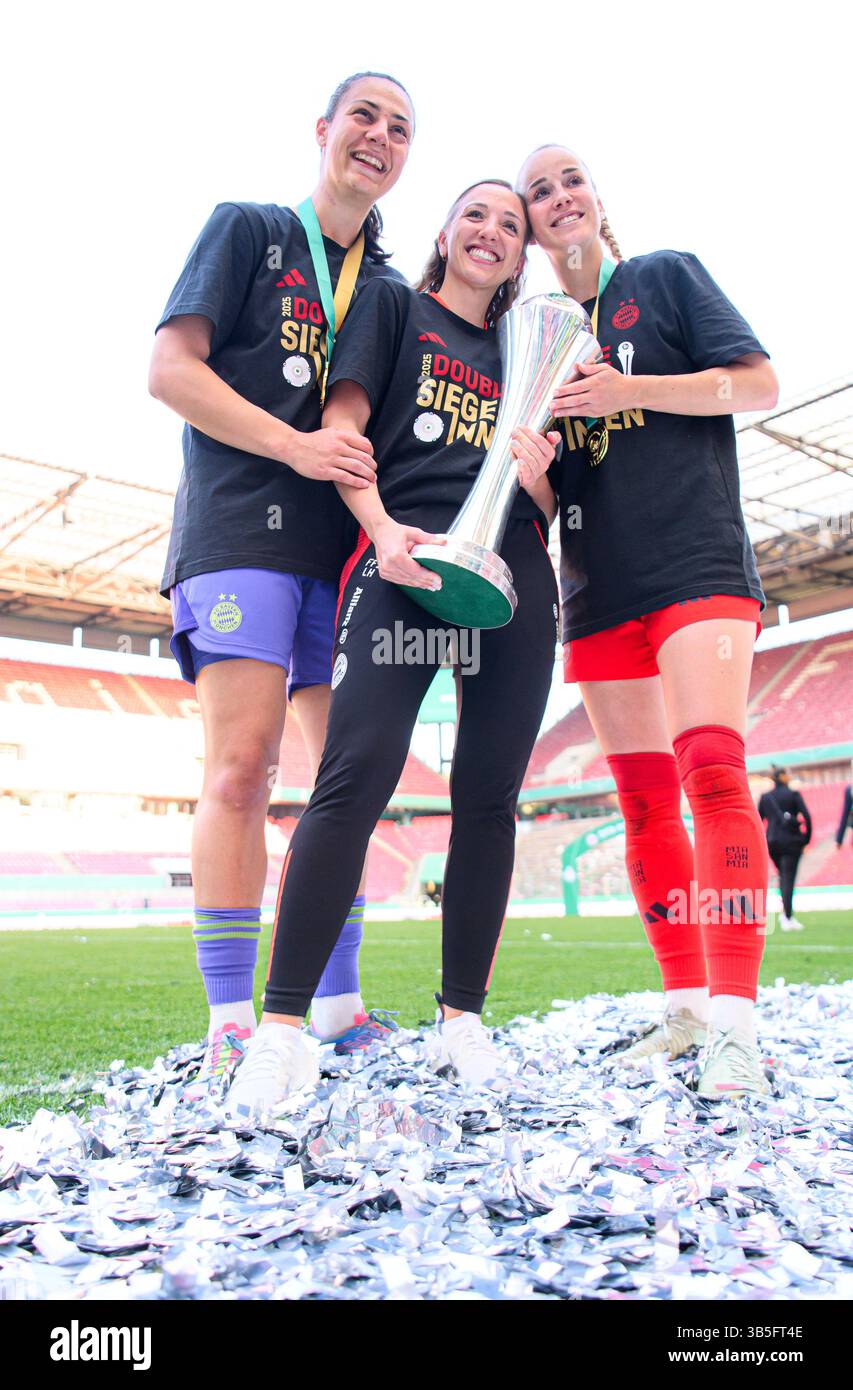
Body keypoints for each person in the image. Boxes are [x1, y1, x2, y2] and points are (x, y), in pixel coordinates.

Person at [226, 180, 561, 1115]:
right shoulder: (390, 304)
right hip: (402, 560)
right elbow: (342, 426)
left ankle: (462, 1022)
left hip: (509, 576)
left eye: (510, 223)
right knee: (354, 776)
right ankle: (282, 1031)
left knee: (489, 797)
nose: (491, 231)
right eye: (476, 214)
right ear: (447, 231)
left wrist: (534, 476)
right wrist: (380, 533)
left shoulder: (530, 352)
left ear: (519, 253)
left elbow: (543, 502)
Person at [148, 72, 416, 1096]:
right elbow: (171, 369)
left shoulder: (389, 289)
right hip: (238, 536)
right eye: (365, 116)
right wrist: (295, 449)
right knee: (241, 769)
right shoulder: (248, 230)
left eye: (400, 128)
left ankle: (336, 1005)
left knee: (344, 786)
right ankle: (228, 1020)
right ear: (323, 130)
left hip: (342, 560)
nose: (380, 137)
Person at [518, 145, 779, 1098]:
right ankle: (684, 1010)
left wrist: (631, 391)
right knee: (638, 803)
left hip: (694, 563)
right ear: (531, 224)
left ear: (594, 198)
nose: (556, 199)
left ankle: (737, 1026)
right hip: (596, 586)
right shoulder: (535, 333)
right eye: (537, 192)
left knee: (711, 770)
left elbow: (755, 383)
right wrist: (532, 468)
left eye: (568, 180)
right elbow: (553, 491)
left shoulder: (662, 278)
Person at [758, 767, 811, 931]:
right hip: (791, 842)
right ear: (781, 776)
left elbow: (758, 821)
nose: (789, 776)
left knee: (783, 877)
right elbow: (807, 817)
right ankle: (787, 917)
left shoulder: (766, 797)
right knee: (788, 878)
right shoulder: (793, 794)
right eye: (787, 774)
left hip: (772, 842)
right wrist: (805, 840)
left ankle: (785, 914)